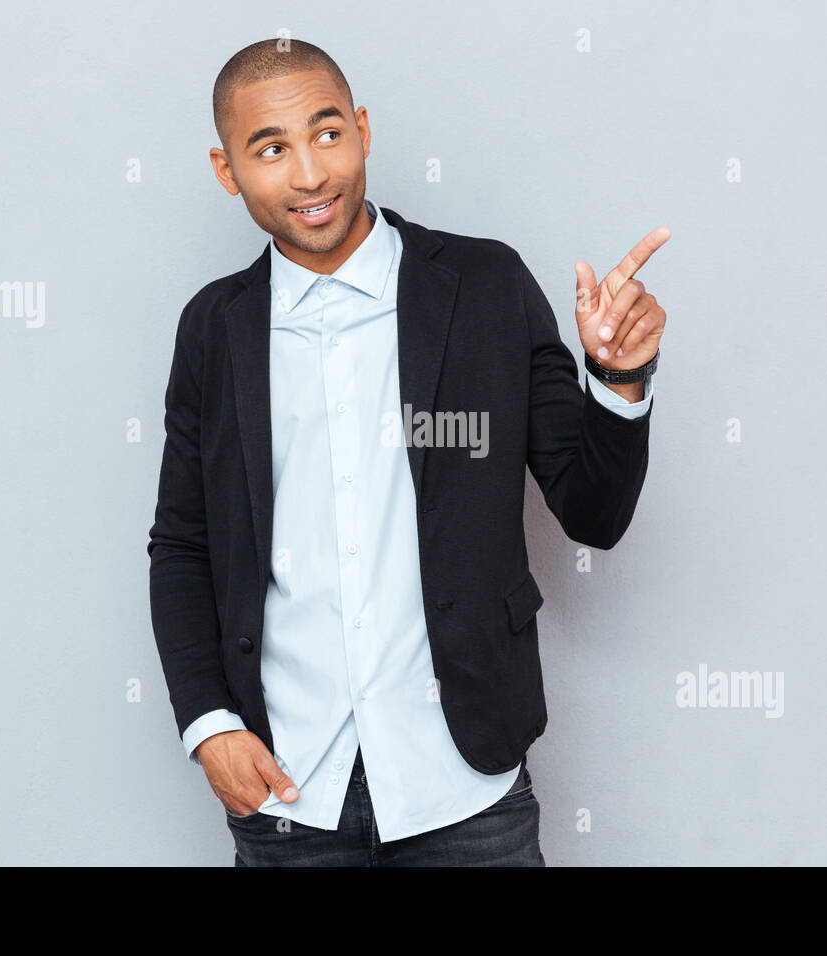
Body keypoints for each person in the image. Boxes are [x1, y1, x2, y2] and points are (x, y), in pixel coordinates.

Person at [147, 37, 669, 866]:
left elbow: (593, 513)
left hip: (463, 784)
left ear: (361, 129)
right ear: (227, 168)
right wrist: (209, 723)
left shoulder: (487, 286)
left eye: (327, 134)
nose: (311, 175)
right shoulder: (214, 328)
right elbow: (182, 545)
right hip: (288, 793)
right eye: (271, 149)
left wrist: (617, 378)